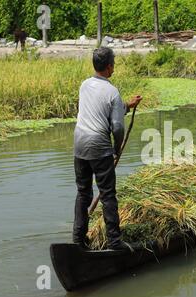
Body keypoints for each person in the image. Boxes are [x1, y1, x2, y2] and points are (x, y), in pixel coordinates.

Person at [73, 47, 142, 250]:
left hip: (79, 145)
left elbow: (100, 109)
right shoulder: (112, 91)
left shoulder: (85, 85)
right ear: (109, 66)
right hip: (99, 147)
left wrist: (128, 105)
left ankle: (78, 240)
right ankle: (114, 241)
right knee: (108, 194)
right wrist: (117, 148)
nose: (114, 67)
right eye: (114, 64)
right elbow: (118, 127)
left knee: (83, 193)